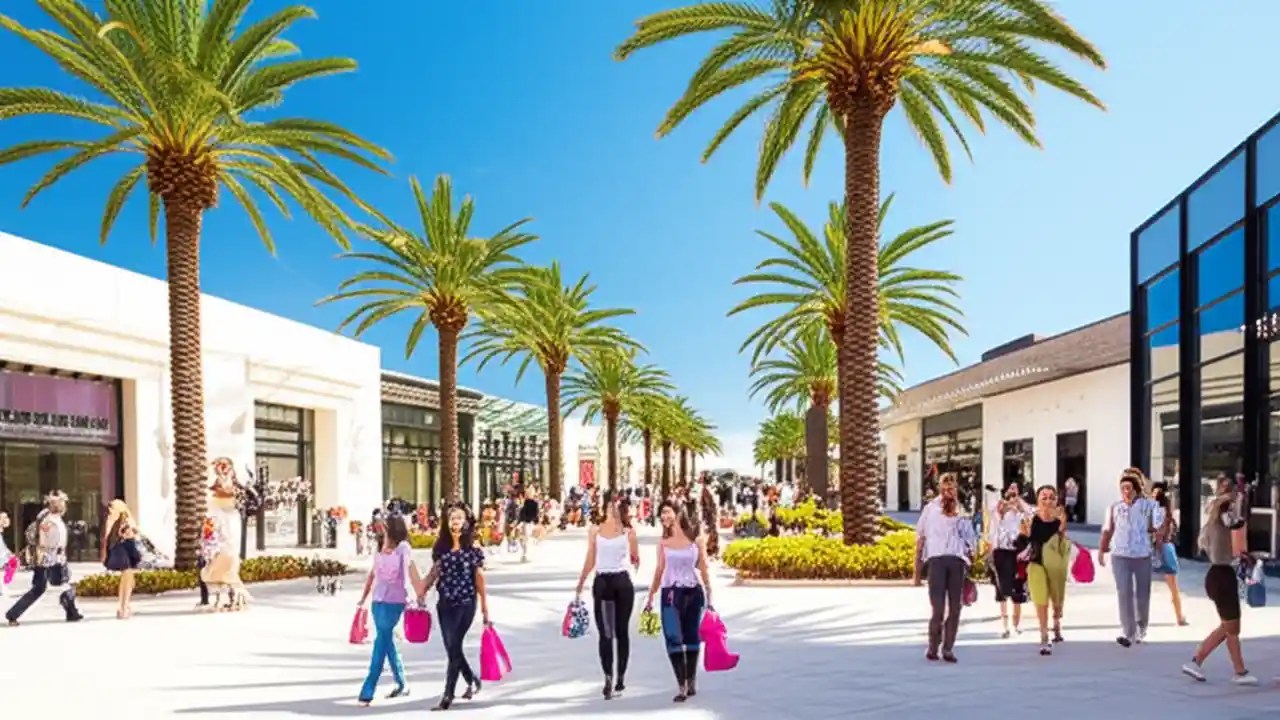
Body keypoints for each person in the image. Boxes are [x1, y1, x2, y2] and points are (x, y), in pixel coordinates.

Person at [1182, 476, 1257, 685]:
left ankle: (1200, 662)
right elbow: (1235, 522)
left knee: (1229, 627)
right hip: (1223, 576)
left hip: (1215, 575)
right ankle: (1237, 672)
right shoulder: (1224, 513)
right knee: (1231, 628)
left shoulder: (1211, 521)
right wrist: (1241, 502)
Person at [417, 504, 490, 712]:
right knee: (452, 647)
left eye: (459, 517)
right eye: (452, 518)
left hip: (466, 603)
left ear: (466, 522)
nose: (455, 521)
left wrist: (485, 608)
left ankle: (447, 696)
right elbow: (433, 574)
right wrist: (420, 589)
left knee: (455, 644)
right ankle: (472, 679)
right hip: (445, 604)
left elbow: (479, 579)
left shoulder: (473, 550)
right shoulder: (441, 548)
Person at [645, 500, 713, 703]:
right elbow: (659, 569)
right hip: (670, 593)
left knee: (691, 636)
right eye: (661, 514)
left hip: (693, 592)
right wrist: (651, 594)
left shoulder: (696, 539)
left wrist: (709, 592)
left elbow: (703, 566)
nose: (664, 517)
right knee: (673, 636)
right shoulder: (663, 542)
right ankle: (681, 685)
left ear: (677, 512)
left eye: (667, 512)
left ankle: (691, 679)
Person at [575, 492, 640, 699]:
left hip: (621, 581)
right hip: (602, 581)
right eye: (610, 504)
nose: (613, 508)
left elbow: (635, 557)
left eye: (617, 505)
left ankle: (620, 675)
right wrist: (581, 581)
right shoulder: (595, 530)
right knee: (605, 633)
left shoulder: (629, 531)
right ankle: (608, 677)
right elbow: (590, 558)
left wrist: (634, 559)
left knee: (621, 631)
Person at [355, 514, 422, 705]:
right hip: (378, 599)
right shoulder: (379, 546)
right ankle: (401, 683)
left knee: (381, 641)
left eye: (384, 525)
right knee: (386, 640)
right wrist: (363, 598)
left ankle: (368, 688)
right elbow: (373, 574)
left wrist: (412, 598)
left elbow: (406, 572)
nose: (380, 527)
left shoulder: (403, 548)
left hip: (395, 600)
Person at [913, 474, 976, 663]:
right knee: (938, 608)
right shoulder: (930, 509)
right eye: (946, 485)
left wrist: (972, 553)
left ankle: (948, 648)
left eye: (952, 485)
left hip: (956, 561)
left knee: (955, 607)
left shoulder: (961, 511)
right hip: (936, 561)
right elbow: (920, 536)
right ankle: (933, 646)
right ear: (940, 487)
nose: (949, 488)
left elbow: (970, 537)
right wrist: (916, 570)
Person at [1098, 468, 1158, 647]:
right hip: (1120, 554)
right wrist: (1102, 550)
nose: (1126, 491)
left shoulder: (1149, 506)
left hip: (1142, 554)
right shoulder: (1114, 507)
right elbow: (1107, 529)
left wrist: (1158, 541)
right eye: (1122, 488)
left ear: (1136, 488)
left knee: (1142, 594)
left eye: (1129, 487)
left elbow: (1157, 527)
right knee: (1124, 591)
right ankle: (1128, 631)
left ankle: (1141, 628)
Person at [6, 490, 83, 625]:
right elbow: (44, 541)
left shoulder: (54, 519)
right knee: (43, 587)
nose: (65, 505)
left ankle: (72, 612)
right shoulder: (48, 520)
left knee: (60, 583)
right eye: (62, 502)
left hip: (55, 558)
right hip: (48, 558)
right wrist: (51, 551)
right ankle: (13, 614)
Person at [1016, 486, 1070, 655]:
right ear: (1038, 500)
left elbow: (1062, 542)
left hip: (1055, 565)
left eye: (1051, 497)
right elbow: (1020, 543)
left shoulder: (1059, 519)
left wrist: (1062, 528)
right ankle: (1044, 635)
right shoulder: (1031, 519)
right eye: (1044, 497)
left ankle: (1056, 624)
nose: (1047, 501)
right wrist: (1023, 534)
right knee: (1041, 599)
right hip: (1036, 562)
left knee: (1056, 599)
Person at [987, 484, 1029, 638]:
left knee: (1018, 588)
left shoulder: (1021, 512)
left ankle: (1016, 625)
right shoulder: (996, 512)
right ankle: (1004, 626)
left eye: (1015, 492)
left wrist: (1019, 507)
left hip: (1018, 553)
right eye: (1009, 493)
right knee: (1001, 590)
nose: (1012, 497)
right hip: (1001, 553)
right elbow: (991, 533)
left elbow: (1031, 518)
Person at [1151, 484, 1189, 627]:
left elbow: (1157, 534)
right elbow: (1162, 534)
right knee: (1174, 587)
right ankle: (1179, 616)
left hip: (1159, 549)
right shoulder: (1166, 514)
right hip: (1167, 548)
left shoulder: (1155, 513)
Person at [101, 499, 142, 619]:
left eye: (113, 507)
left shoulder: (127, 517)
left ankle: (124, 606)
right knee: (127, 575)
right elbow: (106, 538)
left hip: (129, 547)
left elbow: (136, 531)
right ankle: (123, 607)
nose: (110, 510)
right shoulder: (110, 519)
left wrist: (130, 531)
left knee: (128, 579)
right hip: (118, 548)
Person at [518, 485, 540, 562]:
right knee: (524, 539)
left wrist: (535, 522)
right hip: (525, 522)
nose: (528, 494)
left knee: (527, 539)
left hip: (529, 522)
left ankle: (526, 555)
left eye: (530, 492)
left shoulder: (533, 503)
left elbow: (536, 514)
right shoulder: (525, 502)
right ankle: (525, 554)